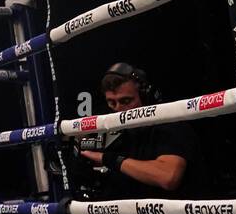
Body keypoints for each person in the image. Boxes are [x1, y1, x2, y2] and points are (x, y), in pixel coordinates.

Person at [77, 63, 196, 197]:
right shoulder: (111, 129)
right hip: (127, 213)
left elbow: (168, 177)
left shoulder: (170, 123)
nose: (118, 108)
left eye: (126, 101)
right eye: (112, 102)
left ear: (144, 96)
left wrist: (109, 159)